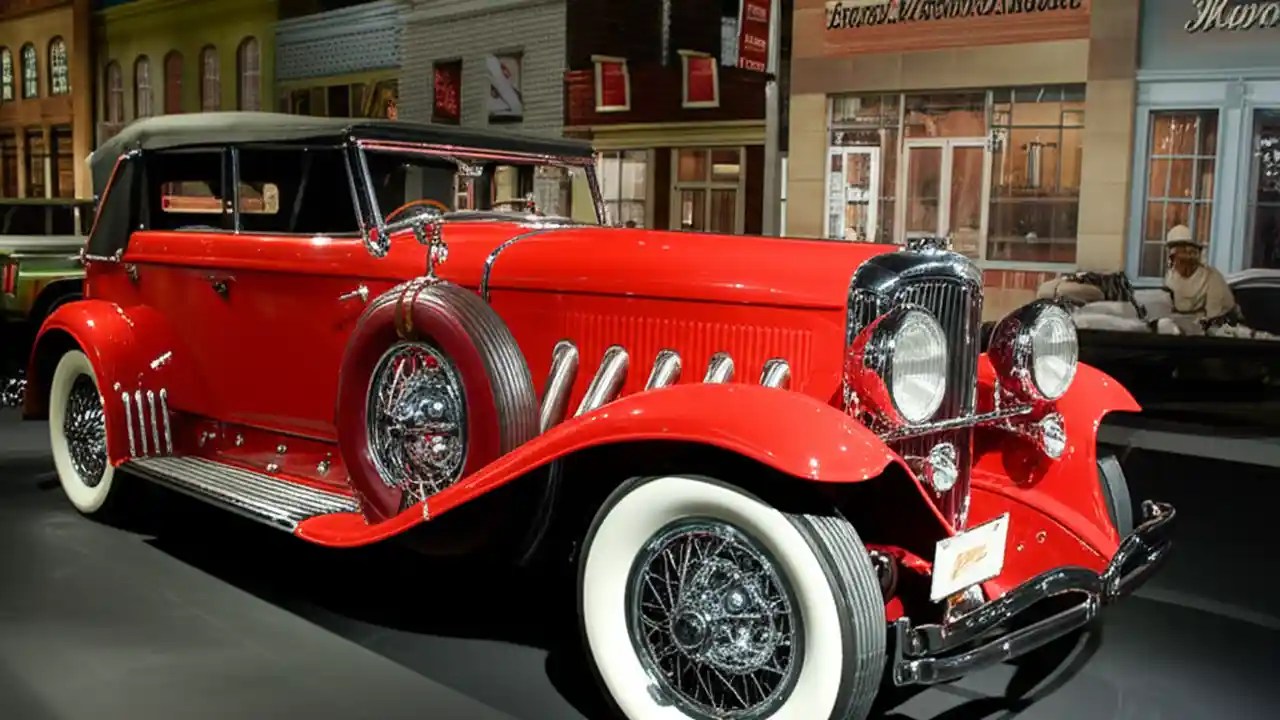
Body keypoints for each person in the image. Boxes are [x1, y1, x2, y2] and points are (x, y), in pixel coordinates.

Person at [1163, 224, 1238, 324]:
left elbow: (1215, 318)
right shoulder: (1171, 278)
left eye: (1185, 253)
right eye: (1174, 256)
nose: (1179, 261)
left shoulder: (1212, 278)